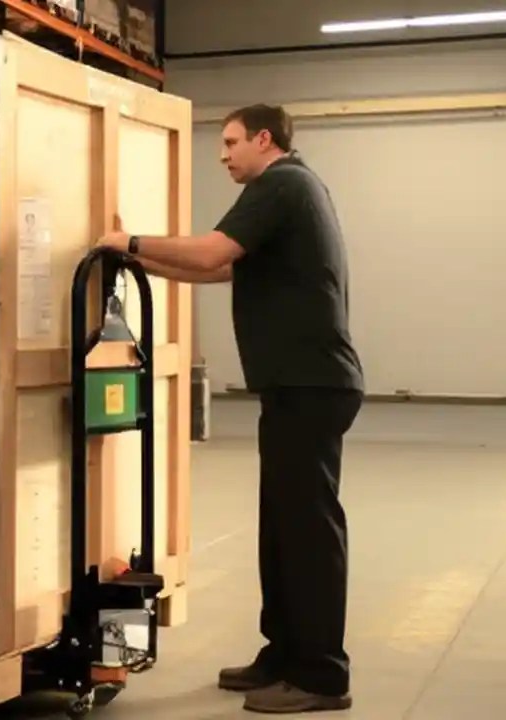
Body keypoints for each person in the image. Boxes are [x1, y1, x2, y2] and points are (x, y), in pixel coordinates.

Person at [95, 103, 364, 714]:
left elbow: (213, 252)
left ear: (264, 140)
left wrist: (129, 239)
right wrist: (135, 259)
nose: (223, 154)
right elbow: (219, 272)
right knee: (281, 528)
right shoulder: (291, 190)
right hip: (297, 387)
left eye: (231, 142)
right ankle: (284, 653)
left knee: (307, 533)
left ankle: (321, 676)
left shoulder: (281, 184)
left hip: (310, 386)